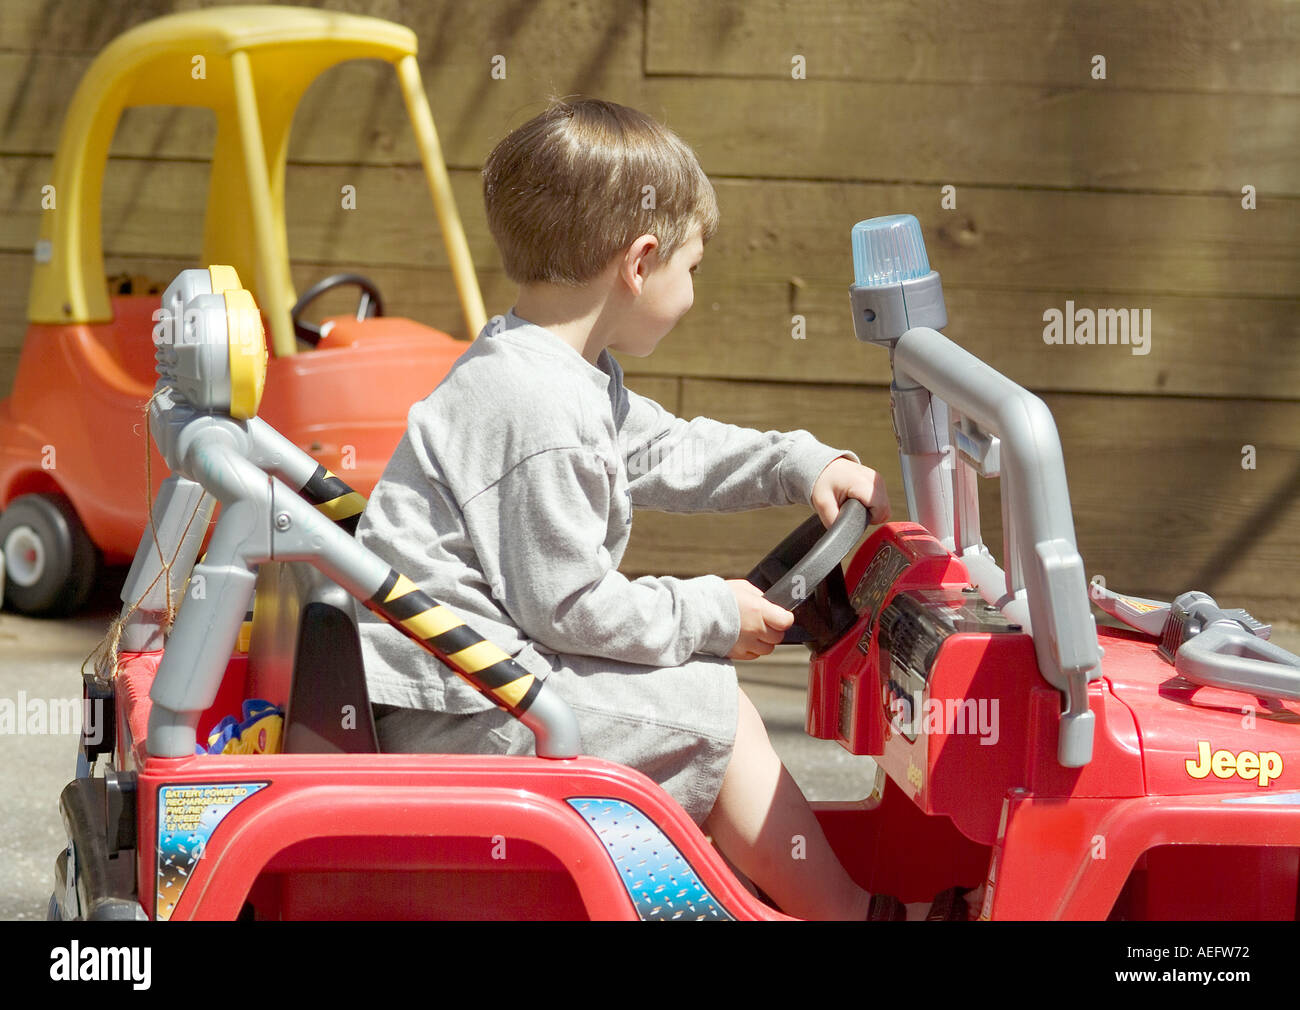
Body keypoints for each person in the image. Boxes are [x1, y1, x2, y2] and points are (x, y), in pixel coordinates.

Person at [355, 97, 967, 920]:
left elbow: (668, 450)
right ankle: (855, 917)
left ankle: (763, 888)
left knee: (692, 687)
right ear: (640, 263)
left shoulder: (549, 369)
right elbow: (569, 604)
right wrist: (712, 612)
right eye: (693, 268)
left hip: (483, 685)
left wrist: (799, 461)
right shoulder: (535, 409)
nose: (692, 291)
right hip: (465, 716)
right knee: (712, 708)